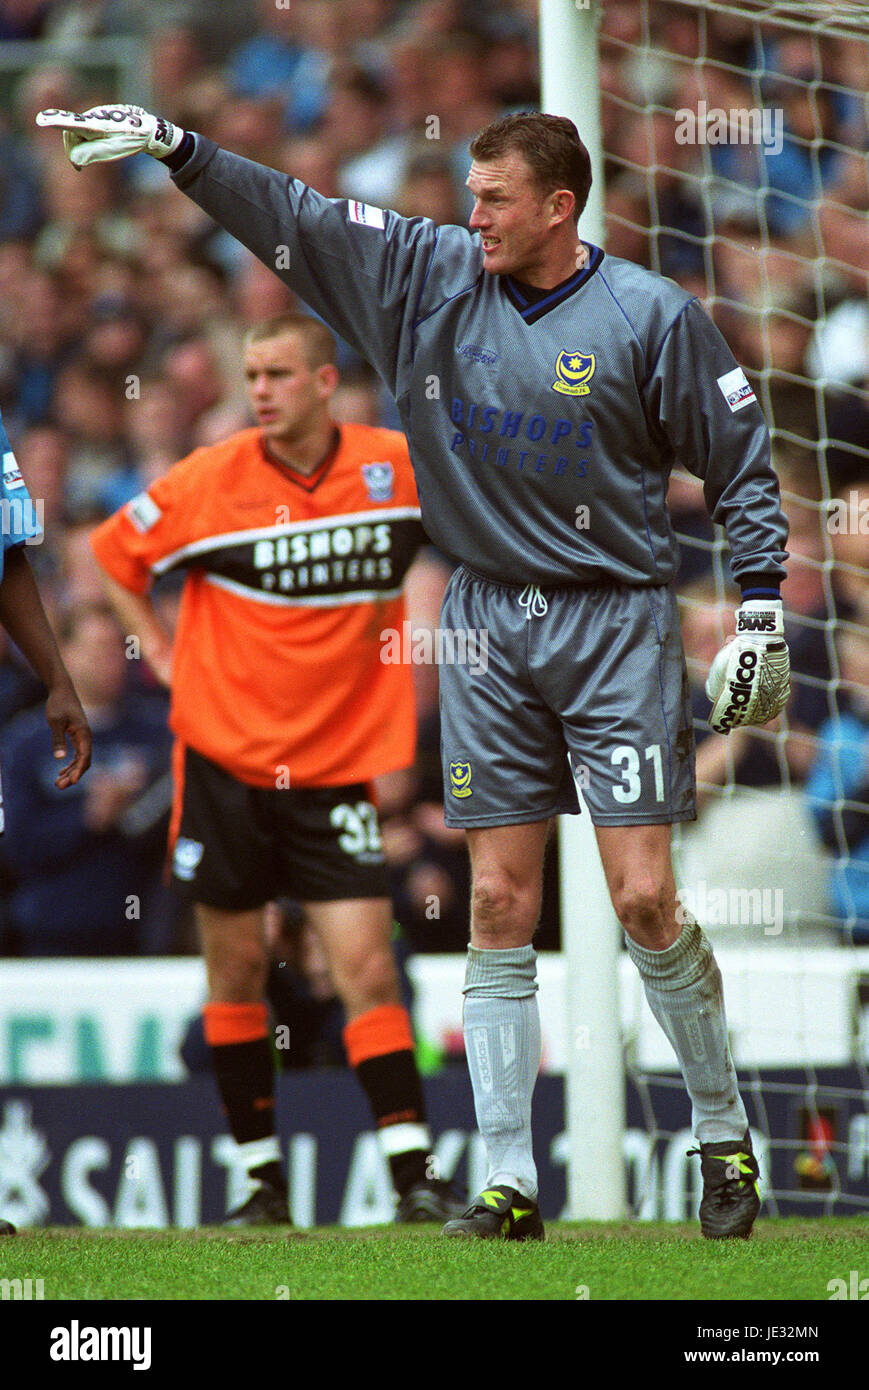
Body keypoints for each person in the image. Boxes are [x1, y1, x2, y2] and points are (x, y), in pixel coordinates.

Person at [40, 103, 793, 1241]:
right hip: (486, 621)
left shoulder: (649, 314)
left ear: (558, 206)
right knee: (495, 898)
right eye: (468, 193)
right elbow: (289, 215)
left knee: (641, 898)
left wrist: (763, 606)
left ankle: (723, 1140)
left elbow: (740, 462)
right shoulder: (422, 277)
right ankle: (504, 1179)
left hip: (613, 620)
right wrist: (179, 148)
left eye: (494, 199)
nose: (472, 214)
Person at [88, 311, 463, 1226]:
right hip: (223, 764)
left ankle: (411, 1176)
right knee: (239, 968)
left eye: (278, 375)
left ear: (326, 382)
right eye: (251, 375)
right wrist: (159, 648)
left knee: (367, 969)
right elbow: (109, 555)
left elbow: (486, 522)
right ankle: (261, 1182)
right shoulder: (211, 478)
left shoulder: (394, 470)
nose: (259, 391)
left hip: (334, 769)